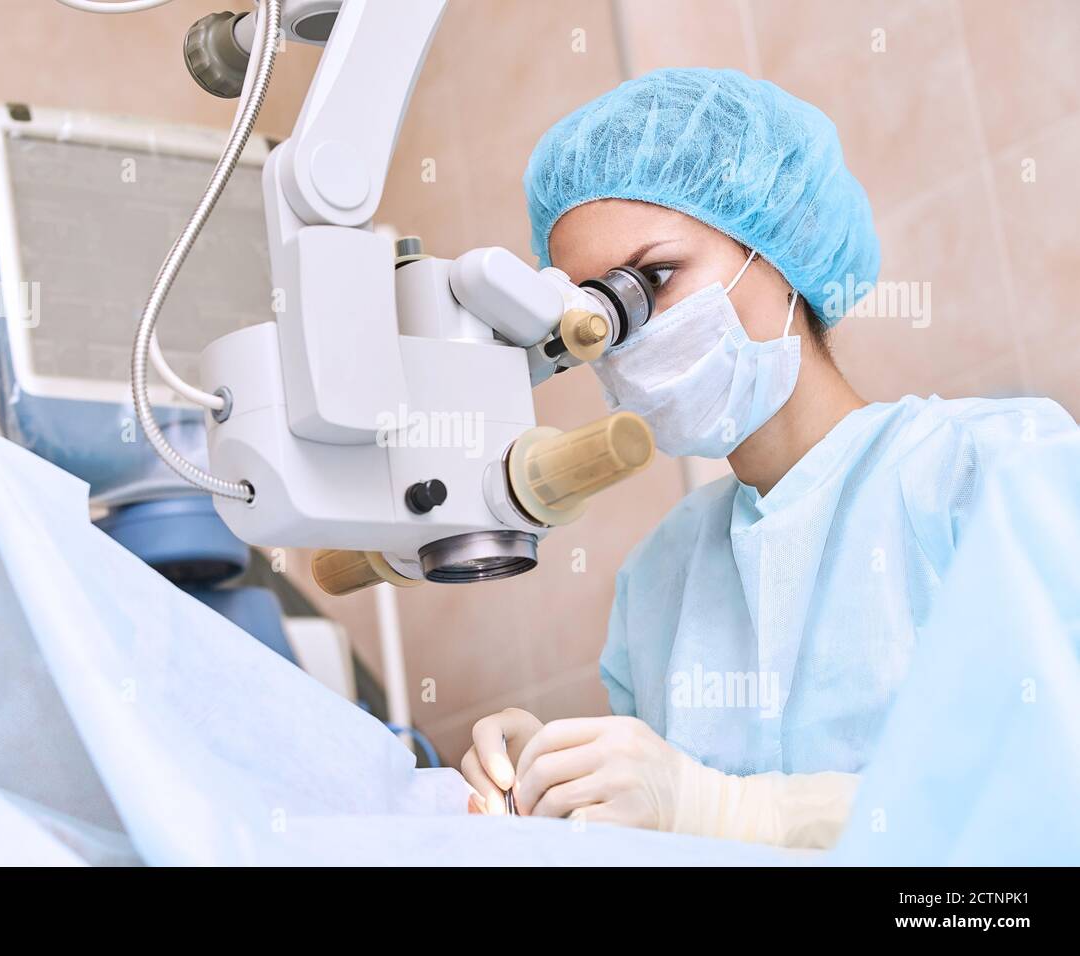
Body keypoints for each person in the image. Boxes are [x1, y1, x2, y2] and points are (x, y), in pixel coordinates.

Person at [460, 68, 1078, 847]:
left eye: (655, 278)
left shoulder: (992, 471)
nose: (630, 337)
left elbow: (1053, 789)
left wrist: (740, 812)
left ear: (777, 249)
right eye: (596, 316)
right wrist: (556, 789)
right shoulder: (661, 581)